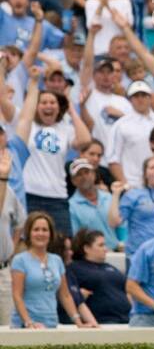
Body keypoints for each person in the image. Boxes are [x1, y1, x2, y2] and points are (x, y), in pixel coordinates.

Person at [15, 69, 92, 236]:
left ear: (59, 108)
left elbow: (85, 140)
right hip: (30, 196)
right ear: (36, 107)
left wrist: (71, 108)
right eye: (43, 102)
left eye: (53, 103)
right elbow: (24, 115)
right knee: (28, 243)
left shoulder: (65, 129)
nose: (48, 106)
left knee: (63, 246)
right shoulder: (29, 127)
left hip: (57, 197)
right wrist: (34, 82)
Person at [11, 212, 91, 328]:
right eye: (36, 229)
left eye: (45, 230)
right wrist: (28, 322)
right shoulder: (20, 260)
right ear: (29, 233)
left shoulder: (57, 260)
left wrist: (79, 323)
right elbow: (17, 295)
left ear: (50, 234)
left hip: (51, 323)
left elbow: (65, 295)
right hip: (26, 326)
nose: (41, 233)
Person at [68, 228, 131, 324]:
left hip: (127, 319)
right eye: (101, 245)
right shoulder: (75, 268)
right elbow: (68, 294)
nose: (105, 249)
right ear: (86, 248)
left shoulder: (111, 268)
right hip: (101, 321)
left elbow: (127, 290)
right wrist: (79, 295)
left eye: (105, 245)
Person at [0, 148, 22, 325]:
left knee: (7, 331)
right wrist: (3, 179)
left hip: (3, 270)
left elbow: (20, 224)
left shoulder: (9, 191)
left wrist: (12, 248)